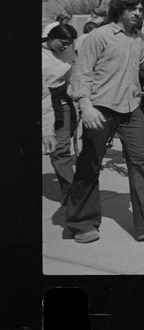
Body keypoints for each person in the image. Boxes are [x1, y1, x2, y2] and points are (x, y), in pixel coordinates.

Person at [64, 0, 144, 243]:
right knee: (90, 164)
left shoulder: (139, 38)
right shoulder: (98, 36)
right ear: (119, 10)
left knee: (141, 161)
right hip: (100, 108)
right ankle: (81, 223)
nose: (138, 14)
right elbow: (81, 73)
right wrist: (85, 105)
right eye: (133, 9)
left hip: (132, 108)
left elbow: (137, 67)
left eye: (141, 10)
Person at [42, 24, 79, 203]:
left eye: (69, 43)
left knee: (61, 149)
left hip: (61, 101)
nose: (65, 47)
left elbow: (72, 75)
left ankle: (70, 193)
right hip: (42, 102)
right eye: (62, 43)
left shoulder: (69, 51)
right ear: (50, 38)